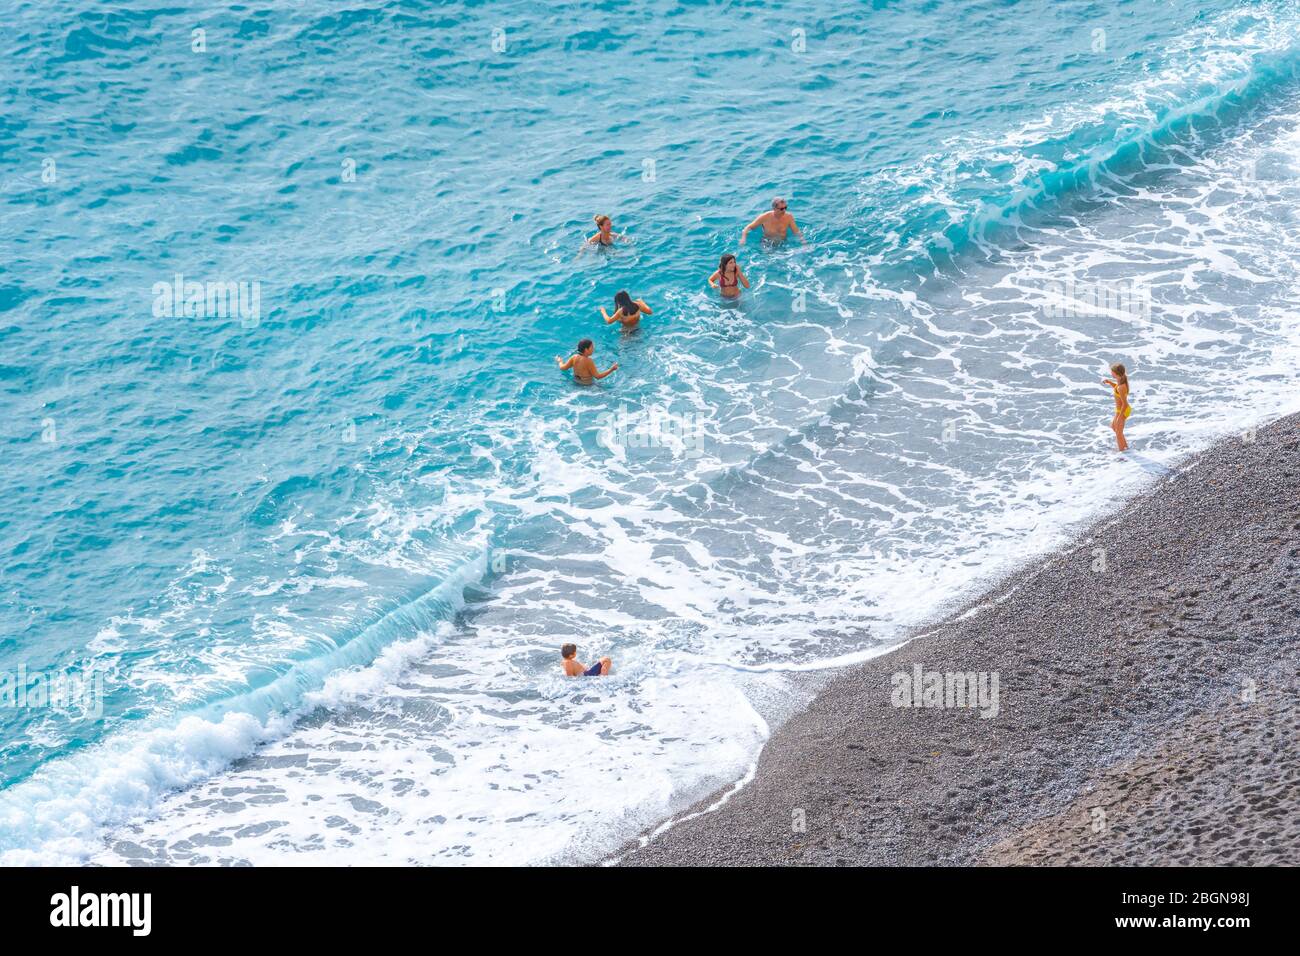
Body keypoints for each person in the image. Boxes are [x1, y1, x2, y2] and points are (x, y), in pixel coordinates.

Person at [1103, 362, 1132, 451]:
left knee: (1118, 433)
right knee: (1114, 427)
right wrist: (1109, 382)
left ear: (1116, 373)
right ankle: (1126, 448)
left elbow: (1125, 404)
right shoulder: (1120, 383)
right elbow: (1116, 388)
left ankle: (1123, 453)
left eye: (1112, 372)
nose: (1111, 373)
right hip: (1119, 410)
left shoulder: (1121, 387)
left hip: (1123, 410)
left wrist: (1120, 417)